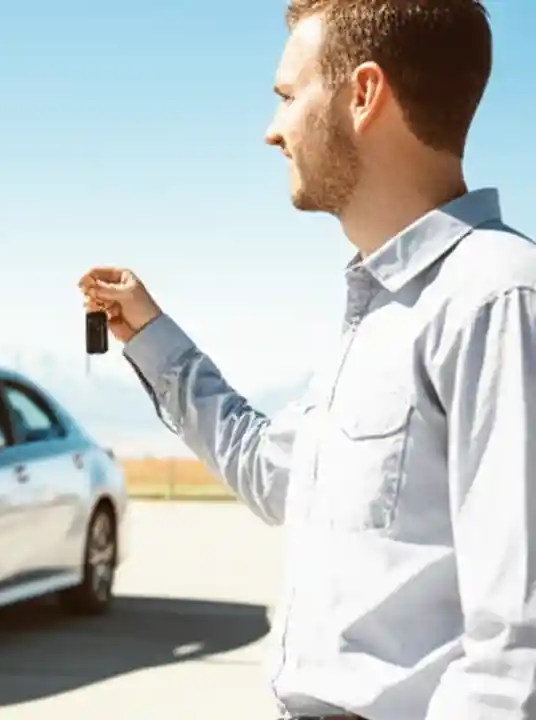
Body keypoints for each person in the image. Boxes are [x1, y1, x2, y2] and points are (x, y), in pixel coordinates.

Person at [79, 1, 534, 719]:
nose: (272, 130)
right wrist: (149, 332)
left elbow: (519, 648)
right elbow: (270, 472)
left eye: (288, 97)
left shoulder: (496, 298)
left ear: (363, 94)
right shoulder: (379, 317)